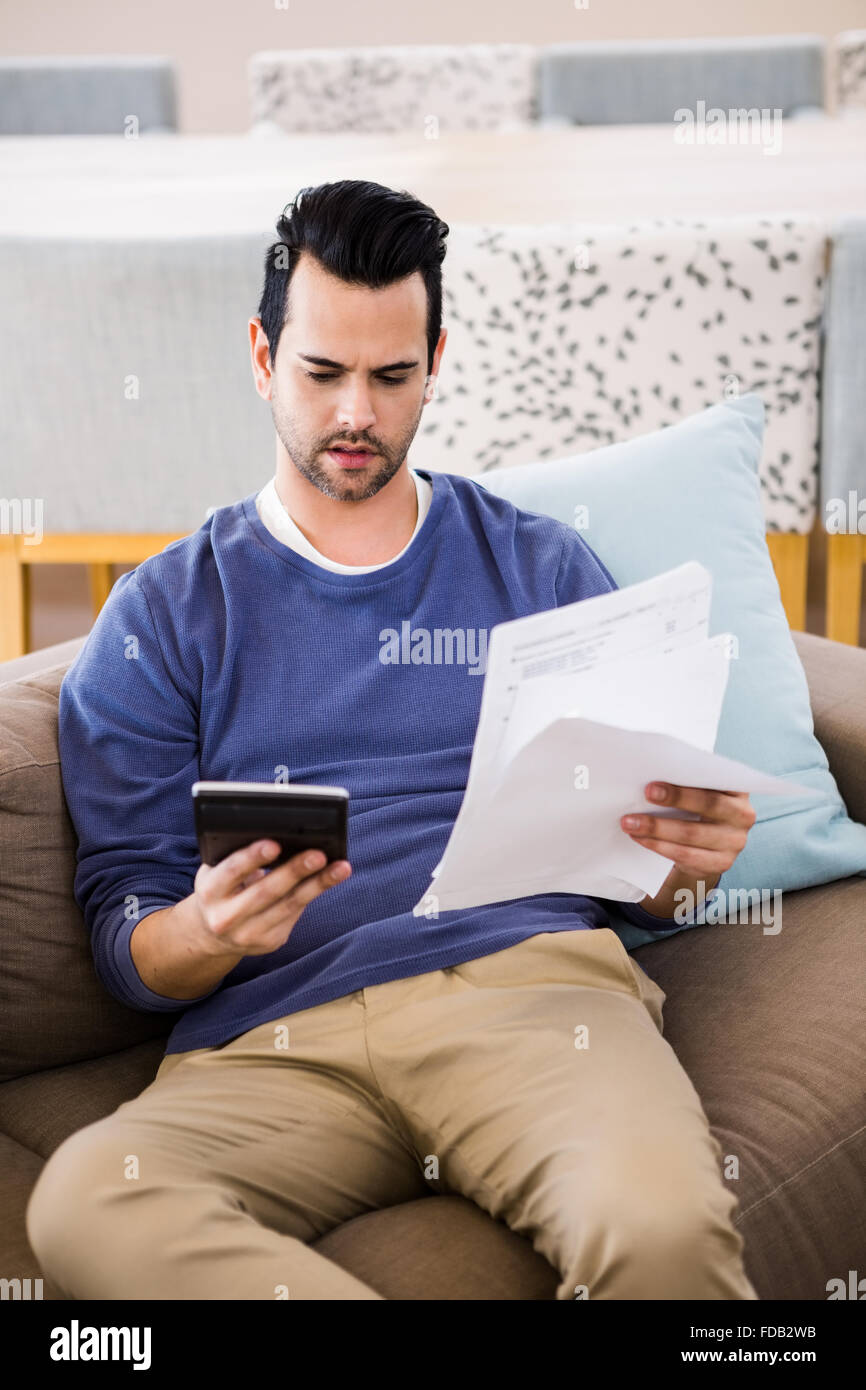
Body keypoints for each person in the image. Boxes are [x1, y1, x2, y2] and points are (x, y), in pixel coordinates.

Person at [27, 180, 759, 1301]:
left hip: (527, 993)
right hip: (272, 1040)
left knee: (658, 1234)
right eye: (322, 374)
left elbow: (639, 888)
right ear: (263, 356)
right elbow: (130, 936)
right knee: (87, 1200)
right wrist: (206, 927)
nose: (355, 414)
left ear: (437, 358)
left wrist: (680, 866)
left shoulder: (542, 567)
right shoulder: (165, 614)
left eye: (390, 375)